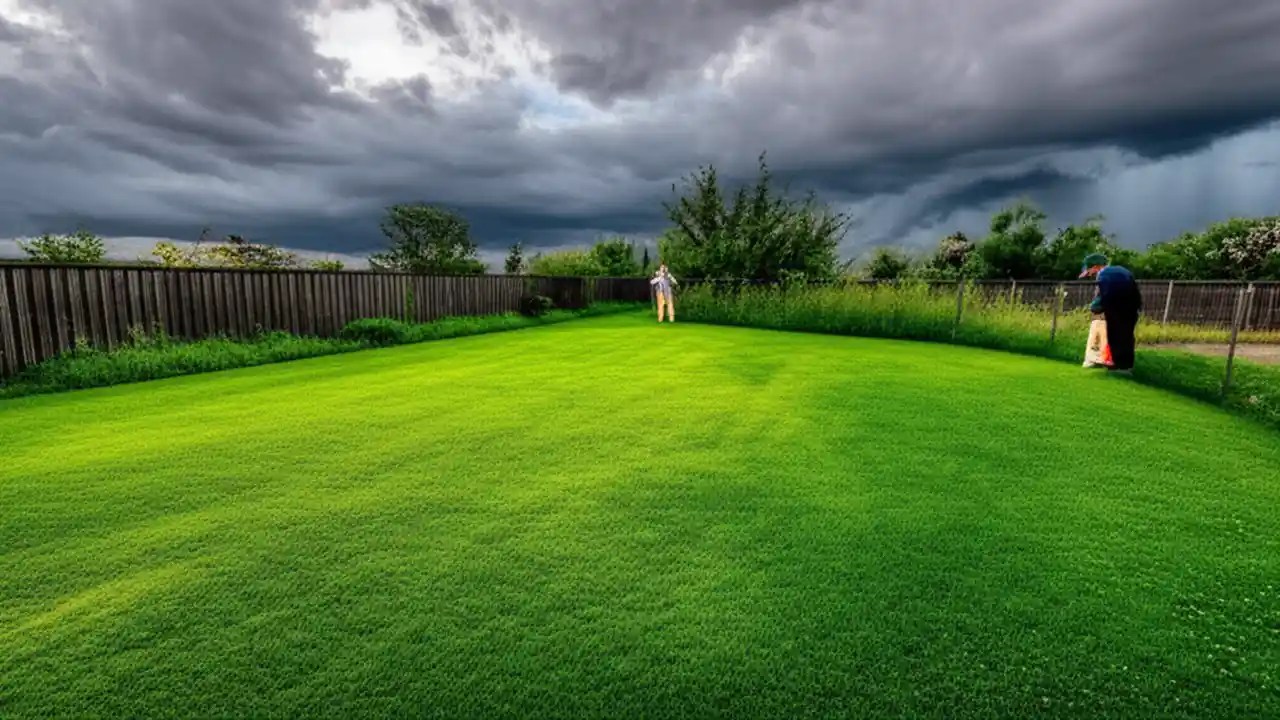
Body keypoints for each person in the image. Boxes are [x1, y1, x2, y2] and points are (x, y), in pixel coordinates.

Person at [1079, 252, 1142, 373]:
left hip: (1116, 308)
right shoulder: (1123, 271)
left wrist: (1094, 307)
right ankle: (1125, 367)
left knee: (1114, 335)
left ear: (1096, 267)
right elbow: (1135, 292)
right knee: (1126, 337)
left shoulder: (1103, 275)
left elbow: (1103, 295)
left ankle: (1108, 362)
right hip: (1131, 309)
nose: (1090, 274)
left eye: (1090, 271)